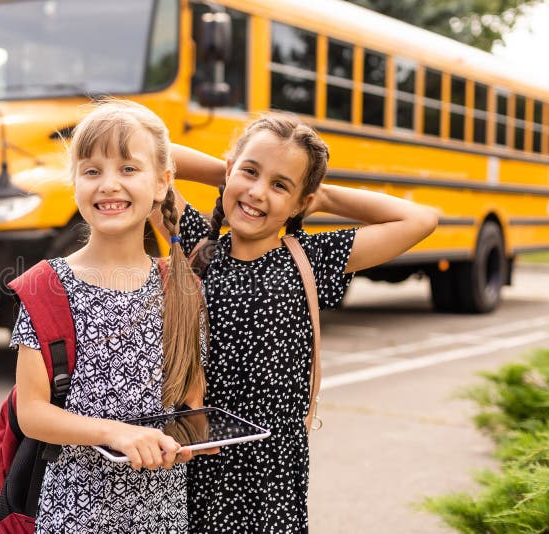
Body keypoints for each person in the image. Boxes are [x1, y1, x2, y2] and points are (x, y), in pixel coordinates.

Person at [158, 114, 439, 533]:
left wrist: (320, 196)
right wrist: (228, 172)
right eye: (250, 172)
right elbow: (149, 152)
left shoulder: (312, 259)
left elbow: (420, 219)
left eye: (280, 185)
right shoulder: (199, 248)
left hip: (273, 480)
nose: (257, 193)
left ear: (299, 203)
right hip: (197, 465)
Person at [12, 100, 209, 533]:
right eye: (92, 171)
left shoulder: (181, 288)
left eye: (128, 169)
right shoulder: (46, 287)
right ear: (76, 183)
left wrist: (190, 441)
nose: (109, 185)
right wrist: (115, 433)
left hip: (161, 517)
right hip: (73, 516)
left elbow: (191, 402)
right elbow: (32, 412)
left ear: (162, 185)